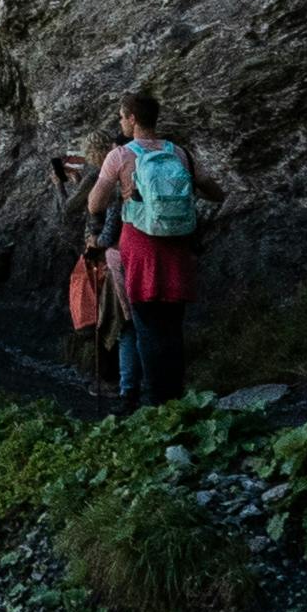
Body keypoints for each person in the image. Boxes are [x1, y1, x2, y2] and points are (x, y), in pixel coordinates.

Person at [83, 88, 225, 409]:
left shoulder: (120, 156)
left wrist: (123, 190)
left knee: (146, 327)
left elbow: (94, 204)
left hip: (141, 250)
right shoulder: (180, 154)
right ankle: (177, 400)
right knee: (173, 327)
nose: (120, 122)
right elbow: (216, 192)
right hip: (177, 249)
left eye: (122, 116)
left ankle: (154, 402)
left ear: (133, 119)